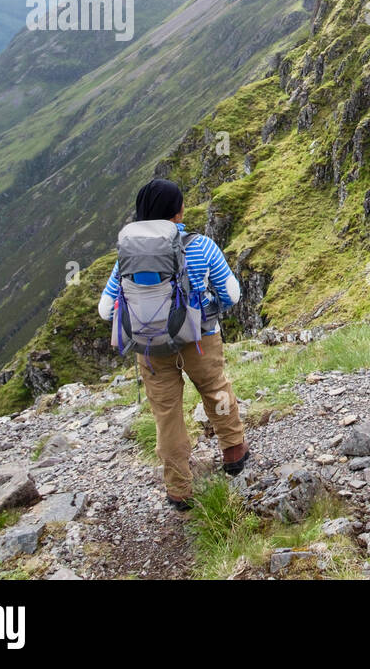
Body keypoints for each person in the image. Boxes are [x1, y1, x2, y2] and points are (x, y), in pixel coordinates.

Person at [97, 178, 248, 511]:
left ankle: (179, 489)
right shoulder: (201, 245)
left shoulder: (128, 255)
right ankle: (234, 451)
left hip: (150, 348)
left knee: (167, 415)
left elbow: (106, 309)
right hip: (199, 339)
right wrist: (209, 310)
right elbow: (232, 294)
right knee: (216, 390)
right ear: (177, 212)